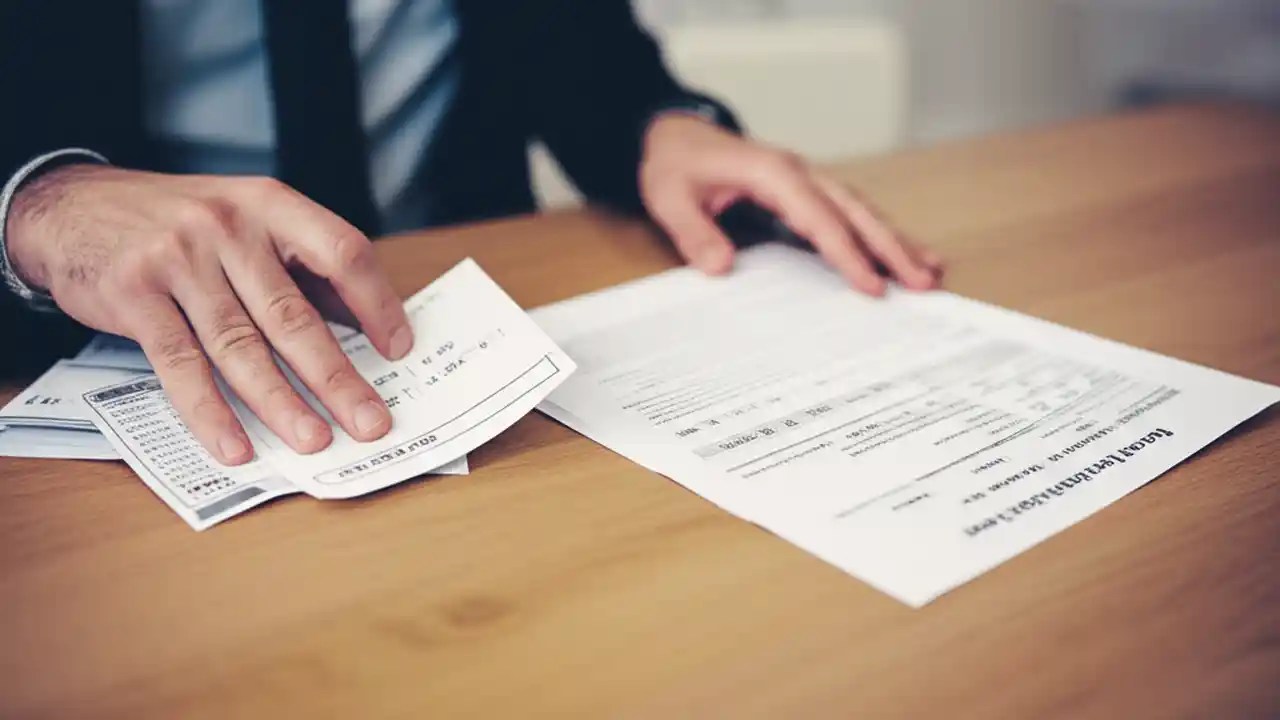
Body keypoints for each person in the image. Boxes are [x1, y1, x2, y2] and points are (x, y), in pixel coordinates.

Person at [0, 1, 943, 465]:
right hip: (116, 354)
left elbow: (577, 44)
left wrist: (655, 122)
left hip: (471, 316)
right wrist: (32, 200)